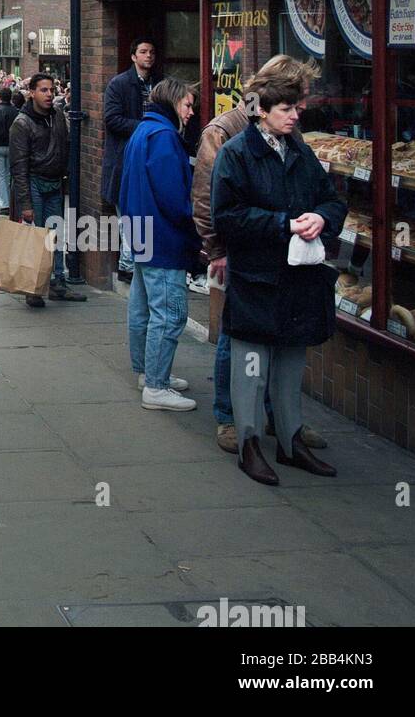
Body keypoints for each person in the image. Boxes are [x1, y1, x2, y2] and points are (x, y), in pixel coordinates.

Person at [211, 73, 346, 486]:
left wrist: (321, 217)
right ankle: (249, 443)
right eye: (286, 110)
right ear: (262, 113)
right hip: (256, 278)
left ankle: (290, 443)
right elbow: (227, 217)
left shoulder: (299, 151)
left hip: (298, 279)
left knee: (289, 366)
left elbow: (332, 199)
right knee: (251, 368)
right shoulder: (236, 154)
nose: (293, 117)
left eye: (296, 110)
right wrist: (284, 224)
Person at [192, 56, 329, 456]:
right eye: (293, 102)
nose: (299, 110)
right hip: (240, 251)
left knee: (277, 336)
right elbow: (206, 197)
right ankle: (230, 418)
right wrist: (216, 249)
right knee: (237, 338)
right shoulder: (225, 132)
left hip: (284, 257)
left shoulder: (290, 137)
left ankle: (280, 421)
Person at [118, 78, 201, 408]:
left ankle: (147, 373)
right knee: (168, 314)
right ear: (172, 103)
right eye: (187, 105)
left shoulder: (143, 130)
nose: (191, 112)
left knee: (141, 308)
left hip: (140, 230)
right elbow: (175, 198)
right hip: (163, 236)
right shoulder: (164, 136)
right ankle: (156, 385)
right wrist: (196, 226)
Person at [10, 74, 86, 307]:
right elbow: (18, 166)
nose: (49, 94)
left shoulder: (58, 117)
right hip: (33, 181)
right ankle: (33, 287)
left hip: (54, 181)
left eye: (51, 90)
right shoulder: (21, 124)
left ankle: (57, 283)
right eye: (43, 90)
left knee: (55, 235)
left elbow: (66, 147)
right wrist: (26, 204)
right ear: (31, 92)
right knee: (37, 237)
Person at [102, 38, 159, 283]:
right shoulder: (119, 84)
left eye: (152, 52)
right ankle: (128, 264)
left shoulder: (159, 84)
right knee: (129, 213)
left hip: (152, 158)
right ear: (133, 56)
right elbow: (112, 119)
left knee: (143, 213)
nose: (148, 56)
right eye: (143, 52)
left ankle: (135, 261)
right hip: (126, 161)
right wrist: (146, 128)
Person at [0, 86, 18, 216]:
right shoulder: (16, 111)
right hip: (12, 145)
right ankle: (12, 203)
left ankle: (4, 204)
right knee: (10, 174)